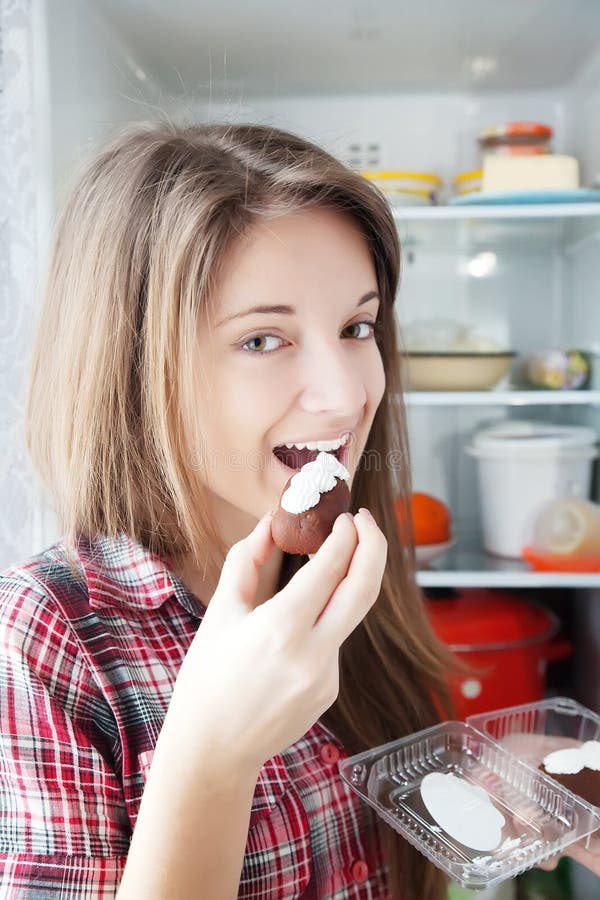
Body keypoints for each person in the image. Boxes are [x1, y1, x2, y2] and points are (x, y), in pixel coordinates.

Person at [0, 121, 456, 899]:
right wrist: (214, 754)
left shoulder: (334, 563)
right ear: (135, 370)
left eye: (356, 327)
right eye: (262, 340)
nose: (347, 394)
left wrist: (492, 780)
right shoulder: (46, 638)